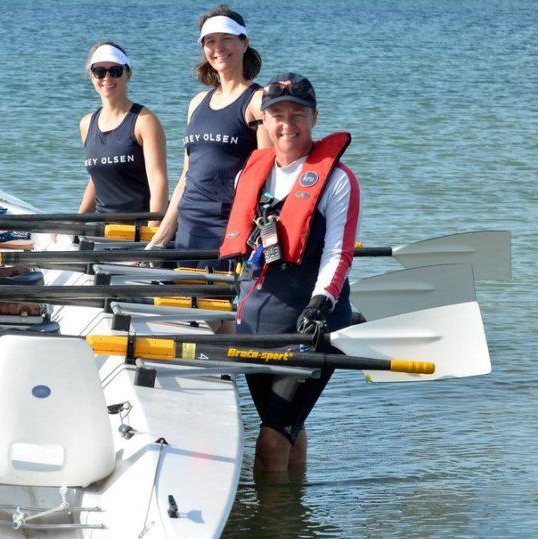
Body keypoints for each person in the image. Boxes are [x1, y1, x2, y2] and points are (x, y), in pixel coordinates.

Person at [217, 72, 360, 474]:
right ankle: (294, 517)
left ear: (315, 118)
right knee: (285, 429)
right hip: (257, 325)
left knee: (270, 438)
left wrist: (320, 305)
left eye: (298, 113)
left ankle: (274, 533)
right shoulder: (252, 173)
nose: (287, 124)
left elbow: (339, 252)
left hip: (310, 327)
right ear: (263, 121)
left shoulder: (338, 180)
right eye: (277, 114)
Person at [147, 6, 268, 266]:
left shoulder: (258, 101)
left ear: (244, 43)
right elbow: (185, 179)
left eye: (227, 39)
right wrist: (158, 240)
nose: (218, 48)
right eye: (210, 41)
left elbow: (267, 178)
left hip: (227, 232)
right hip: (187, 232)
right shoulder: (197, 103)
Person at [78, 41, 167, 217]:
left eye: (115, 71)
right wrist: (76, 221)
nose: (107, 78)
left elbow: (158, 182)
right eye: (100, 72)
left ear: (128, 74)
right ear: (91, 76)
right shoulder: (87, 124)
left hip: (138, 227)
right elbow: (98, 179)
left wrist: (154, 232)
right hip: (101, 227)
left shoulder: (145, 121)